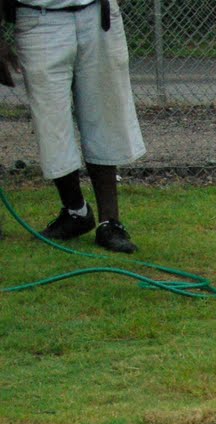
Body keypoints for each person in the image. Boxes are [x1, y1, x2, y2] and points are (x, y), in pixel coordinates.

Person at [0, 0, 146, 253]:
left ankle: (110, 222)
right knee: (51, 121)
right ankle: (76, 211)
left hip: (96, 14)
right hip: (40, 18)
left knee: (104, 114)